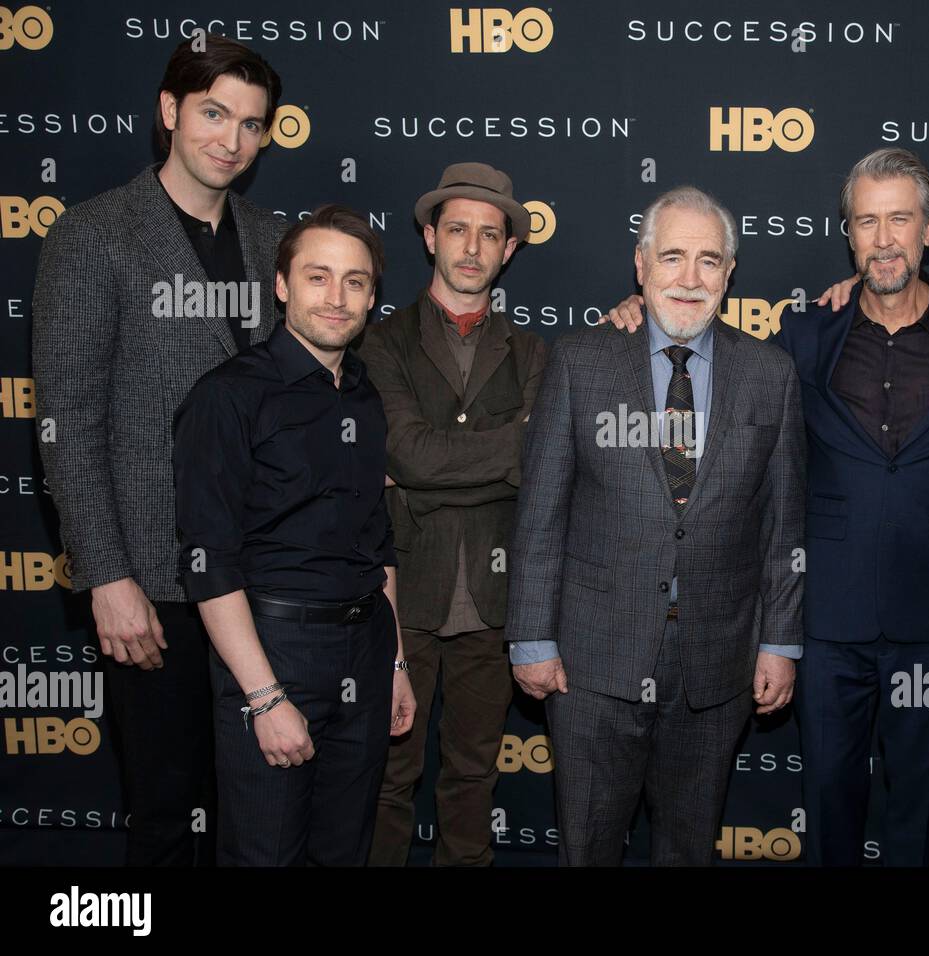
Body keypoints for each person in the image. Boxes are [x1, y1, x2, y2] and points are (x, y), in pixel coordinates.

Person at [602, 149, 929, 865]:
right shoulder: (804, 337)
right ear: (848, 234)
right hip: (826, 622)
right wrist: (635, 315)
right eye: (867, 221)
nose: (884, 239)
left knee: (921, 813)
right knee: (828, 811)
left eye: (900, 220)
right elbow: (710, 362)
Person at [31, 35, 286, 866]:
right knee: (168, 816)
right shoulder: (93, 236)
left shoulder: (275, 240)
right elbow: (68, 423)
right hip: (155, 584)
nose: (231, 139)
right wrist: (106, 575)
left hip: (262, 580)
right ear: (169, 111)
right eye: (214, 113)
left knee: (258, 811)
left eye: (251, 124)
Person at [507, 186, 806, 865]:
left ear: (730, 275)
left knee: (688, 849)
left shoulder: (771, 375)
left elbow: (784, 528)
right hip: (590, 663)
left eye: (709, 261)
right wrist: (530, 636)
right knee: (587, 847)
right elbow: (541, 513)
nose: (690, 278)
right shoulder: (582, 362)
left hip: (717, 665)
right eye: (672, 257)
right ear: (640, 266)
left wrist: (781, 644)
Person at [172, 205, 416, 866]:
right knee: (266, 856)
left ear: (372, 295)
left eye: (355, 281)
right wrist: (264, 697)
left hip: (365, 650)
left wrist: (393, 664)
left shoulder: (364, 396)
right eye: (318, 277)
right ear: (282, 285)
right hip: (275, 651)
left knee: (345, 851)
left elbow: (378, 541)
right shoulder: (229, 397)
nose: (336, 298)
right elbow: (207, 562)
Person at [356, 163, 546, 867]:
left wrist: (427, 474)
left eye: (489, 234)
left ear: (509, 250)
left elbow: (538, 463)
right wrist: (495, 458)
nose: (472, 247)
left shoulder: (531, 354)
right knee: (388, 779)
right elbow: (405, 453)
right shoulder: (381, 342)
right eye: (458, 229)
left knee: (474, 778)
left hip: (497, 604)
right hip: (402, 594)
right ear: (430, 235)